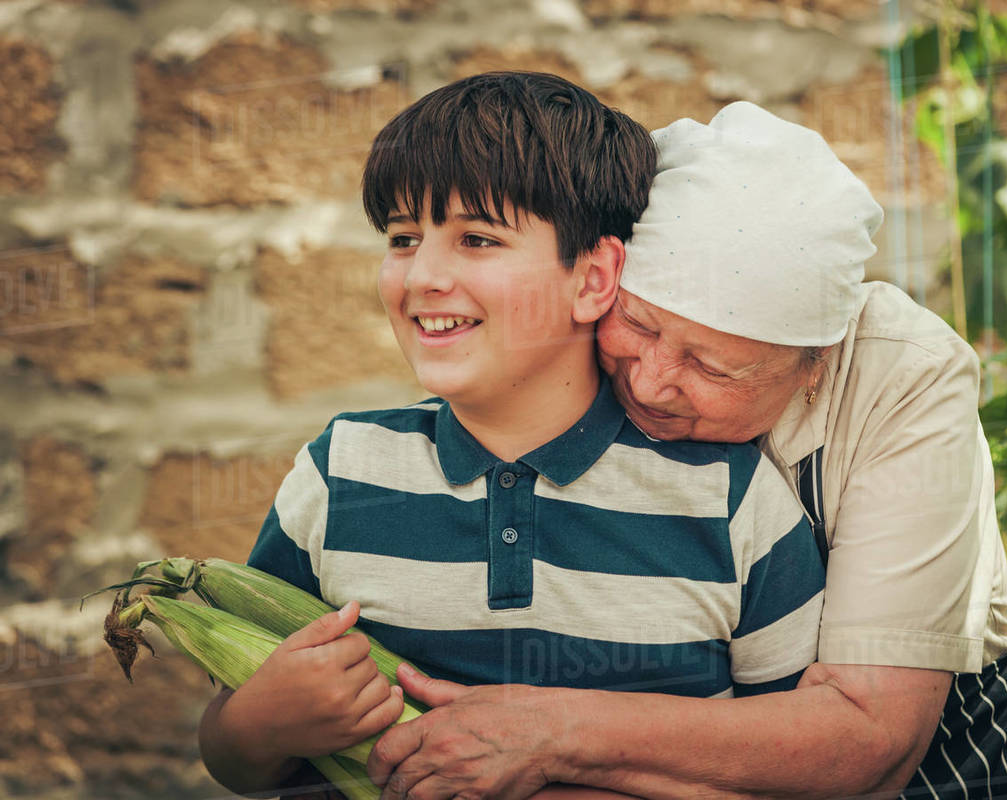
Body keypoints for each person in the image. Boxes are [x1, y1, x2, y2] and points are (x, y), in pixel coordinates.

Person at [365, 102, 1007, 799]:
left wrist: (549, 731)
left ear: (812, 368)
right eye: (639, 326)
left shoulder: (905, 378)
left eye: (712, 367)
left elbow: (874, 739)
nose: (654, 383)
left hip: (972, 760)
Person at [195, 74, 827, 799]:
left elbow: (792, 761)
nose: (423, 274)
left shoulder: (731, 502)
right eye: (403, 238)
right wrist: (261, 728)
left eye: (476, 238)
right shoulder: (341, 472)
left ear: (592, 280)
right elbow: (229, 746)